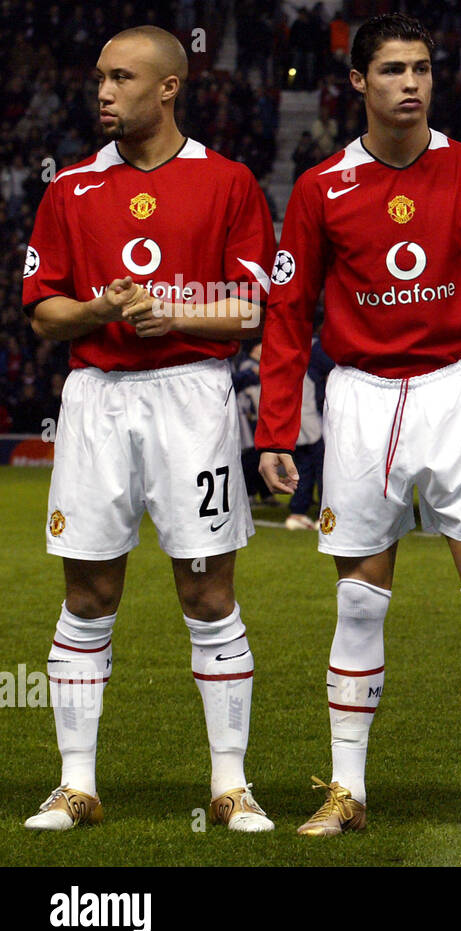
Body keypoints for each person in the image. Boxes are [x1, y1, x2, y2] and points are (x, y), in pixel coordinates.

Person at [256, 13, 461, 838]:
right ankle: (347, 791)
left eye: (421, 67)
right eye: (391, 69)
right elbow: (286, 313)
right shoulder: (321, 189)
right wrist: (278, 428)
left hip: (458, 396)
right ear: (357, 83)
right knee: (358, 604)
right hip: (358, 401)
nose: (411, 83)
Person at [21, 26, 276, 832]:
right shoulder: (70, 190)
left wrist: (175, 313)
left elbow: (251, 308)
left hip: (192, 398)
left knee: (207, 590)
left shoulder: (228, 182)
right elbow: (42, 313)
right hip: (97, 398)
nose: (103, 91)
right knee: (88, 591)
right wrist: (99, 308)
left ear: (170, 87)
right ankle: (76, 784)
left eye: (122, 78)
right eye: (99, 76)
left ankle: (230, 786)